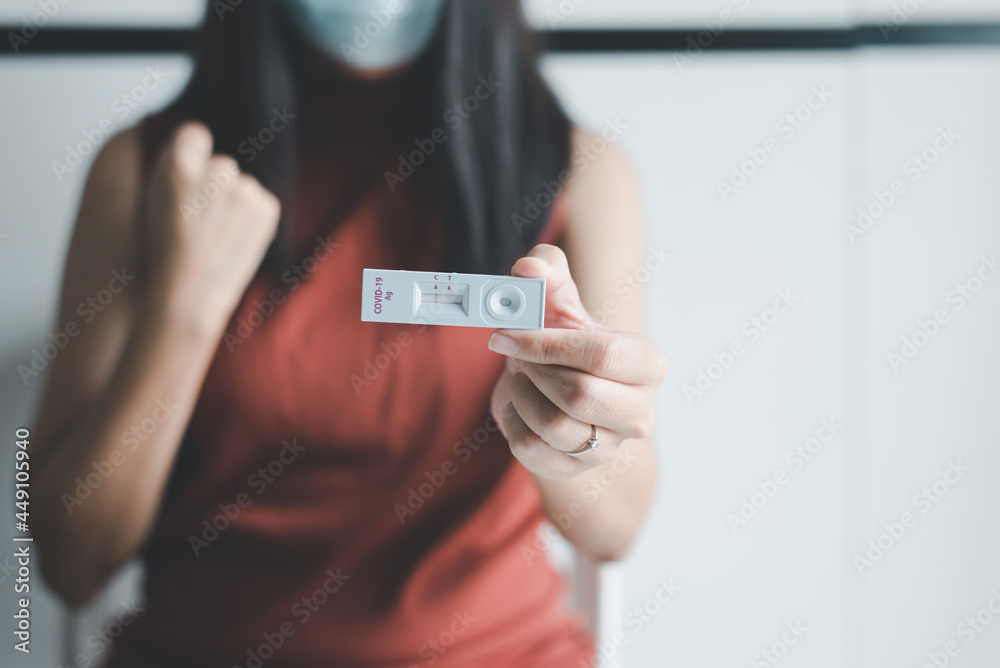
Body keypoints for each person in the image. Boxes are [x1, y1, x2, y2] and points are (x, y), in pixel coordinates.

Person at [30, 0, 668, 665]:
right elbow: (70, 561)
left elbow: (615, 527)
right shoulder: (153, 172)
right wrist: (182, 312)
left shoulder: (580, 173)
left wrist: (560, 431)